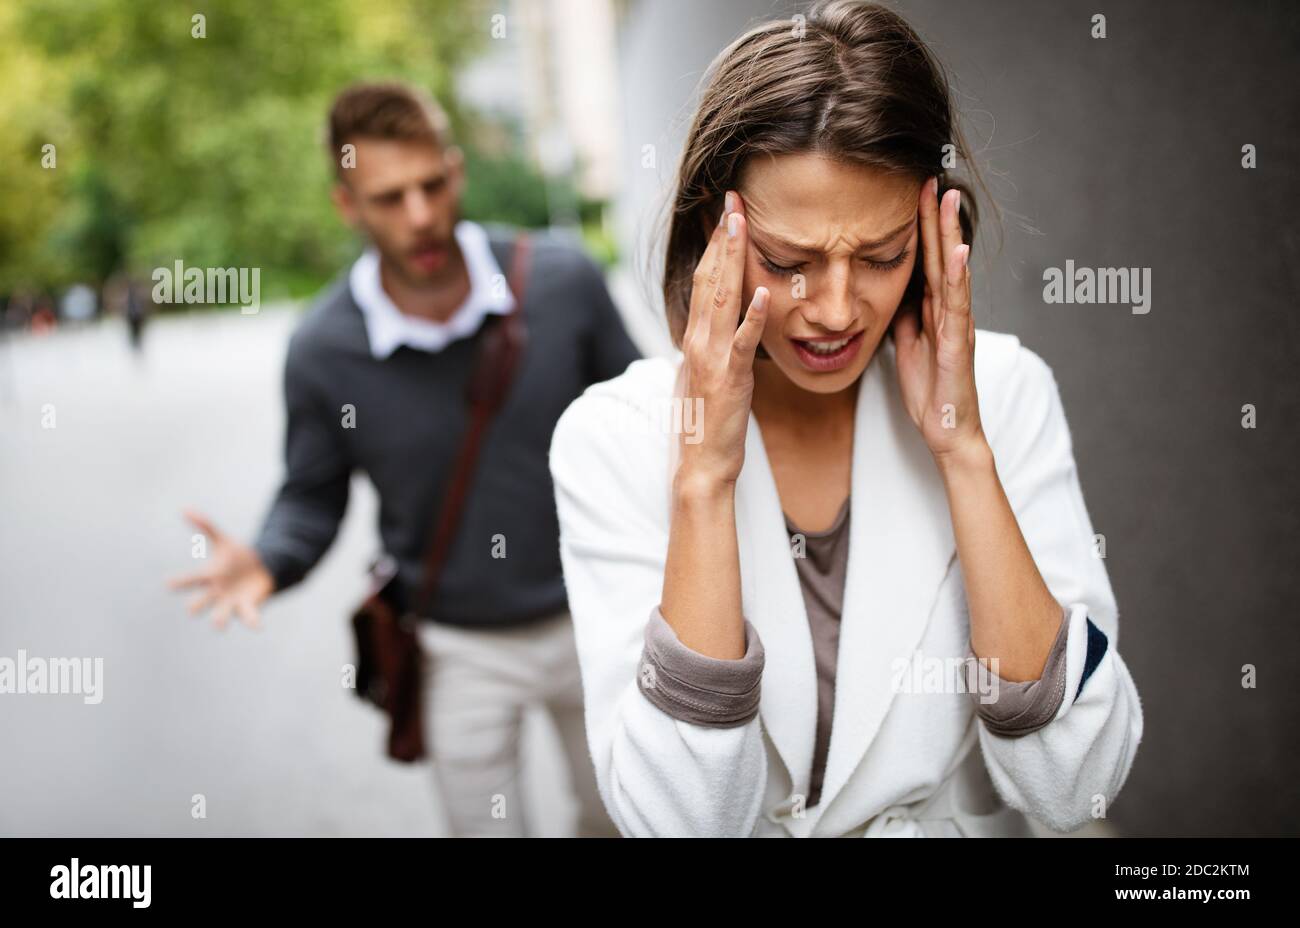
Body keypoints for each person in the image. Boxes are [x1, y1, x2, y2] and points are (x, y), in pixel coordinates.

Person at [548, 0, 1143, 837]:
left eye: (882, 256)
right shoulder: (612, 436)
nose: (834, 311)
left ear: (937, 227)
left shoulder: (1006, 394)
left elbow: (1073, 783)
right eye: (790, 261)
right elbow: (680, 821)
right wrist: (704, 481)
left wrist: (963, 451)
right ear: (716, 228)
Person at [169, 81, 637, 837]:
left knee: (620, 819)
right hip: (454, 646)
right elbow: (312, 494)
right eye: (389, 198)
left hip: (599, 620)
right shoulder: (324, 349)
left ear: (456, 172)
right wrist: (269, 560)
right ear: (346, 206)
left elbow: (643, 423)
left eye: (432, 185)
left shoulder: (564, 282)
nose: (420, 215)